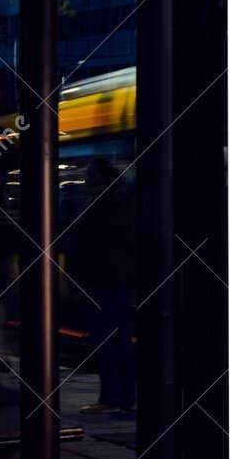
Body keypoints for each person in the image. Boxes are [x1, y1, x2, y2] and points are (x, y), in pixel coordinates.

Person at [67, 158, 136, 413]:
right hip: (111, 281)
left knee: (107, 339)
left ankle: (112, 396)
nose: (87, 182)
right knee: (117, 339)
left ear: (105, 180)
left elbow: (94, 247)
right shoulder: (115, 203)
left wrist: (82, 280)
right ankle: (123, 395)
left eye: (91, 177)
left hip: (105, 282)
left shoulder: (106, 206)